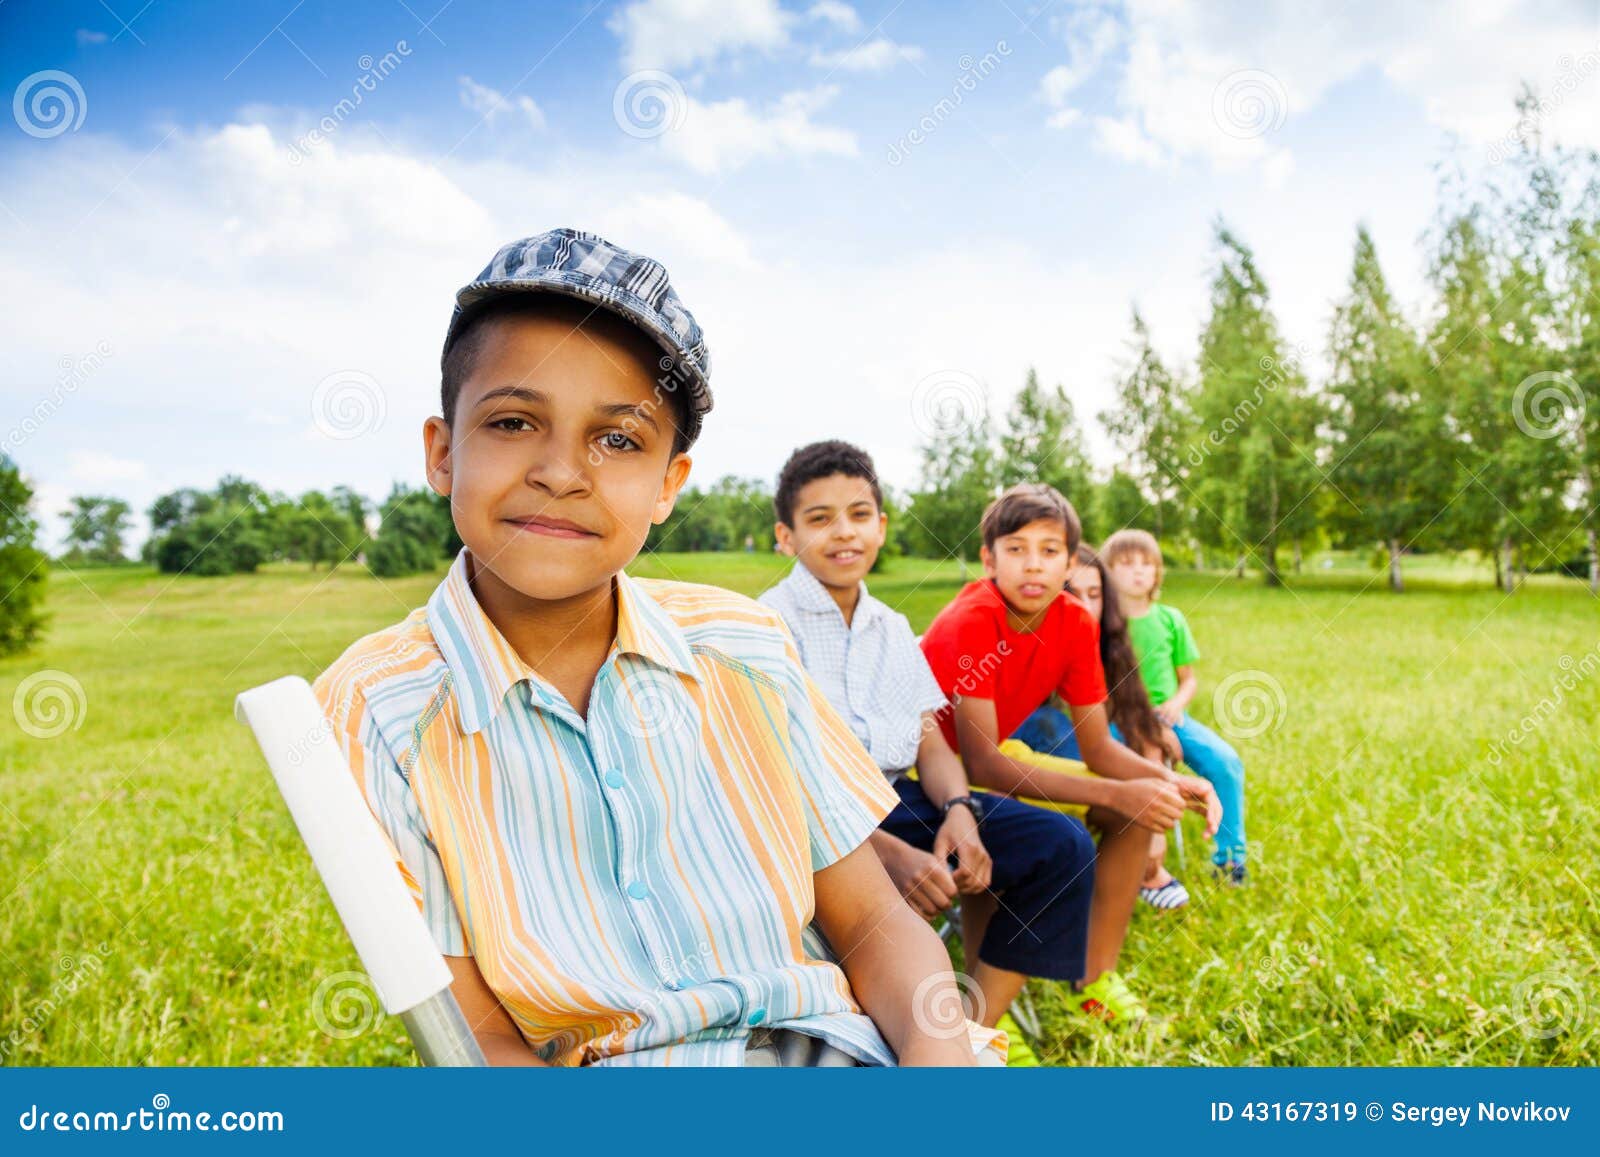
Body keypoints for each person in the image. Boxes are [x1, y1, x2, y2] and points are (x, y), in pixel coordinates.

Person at [313, 229, 1003, 1067]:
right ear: (443, 451)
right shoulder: (375, 706)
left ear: (669, 484)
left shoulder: (745, 647)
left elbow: (874, 924)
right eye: (513, 420)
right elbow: (478, 1037)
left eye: (619, 439)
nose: (562, 471)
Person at [760, 440, 1097, 1062]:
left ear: (881, 526)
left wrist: (962, 810)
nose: (844, 533)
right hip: (812, 823)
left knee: (1061, 846)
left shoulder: (889, 626)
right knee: (883, 912)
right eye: (819, 518)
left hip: (901, 797)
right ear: (786, 536)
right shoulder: (764, 627)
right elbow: (773, 783)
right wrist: (886, 855)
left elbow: (930, 741)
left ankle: (975, 1025)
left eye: (859, 514)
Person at [919, 484, 1215, 1022]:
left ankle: (1095, 980)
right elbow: (982, 766)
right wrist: (1124, 791)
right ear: (988, 559)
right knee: (1086, 808)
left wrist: (1167, 781)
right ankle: (988, 1019)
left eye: (1050, 550)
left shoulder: (1075, 621)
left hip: (995, 752)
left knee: (1135, 810)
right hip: (929, 768)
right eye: (1016, 548)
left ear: (1071, 561)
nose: (1033, 565)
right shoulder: (974, 619)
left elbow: (1099, 747)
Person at [1012, 547, 1221, 909]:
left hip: (1094, 741)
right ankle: (1121, 854)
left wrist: (1157, 746)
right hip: (1019, 747)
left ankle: (1143, 849)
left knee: (1137, 738)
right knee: (1054, 725)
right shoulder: (1021, 637)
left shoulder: (1106, 641)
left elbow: (1129, 709)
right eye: (1072, 593)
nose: (1085, 606)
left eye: (1095, 595)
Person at [1103, 528, 1249, 882]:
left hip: (1167, 716)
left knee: (1225, 762)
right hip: (1114, 720)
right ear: (1107, 571)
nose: (1138, 571)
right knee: (1132, 762)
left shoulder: (1171, 619)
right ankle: (1133, 862)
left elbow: (1189, 679)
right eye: (1126, 564)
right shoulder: (1103, 623)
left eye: (1146, 564)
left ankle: (1230, 858)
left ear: (1156, 572)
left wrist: (1176, 703)